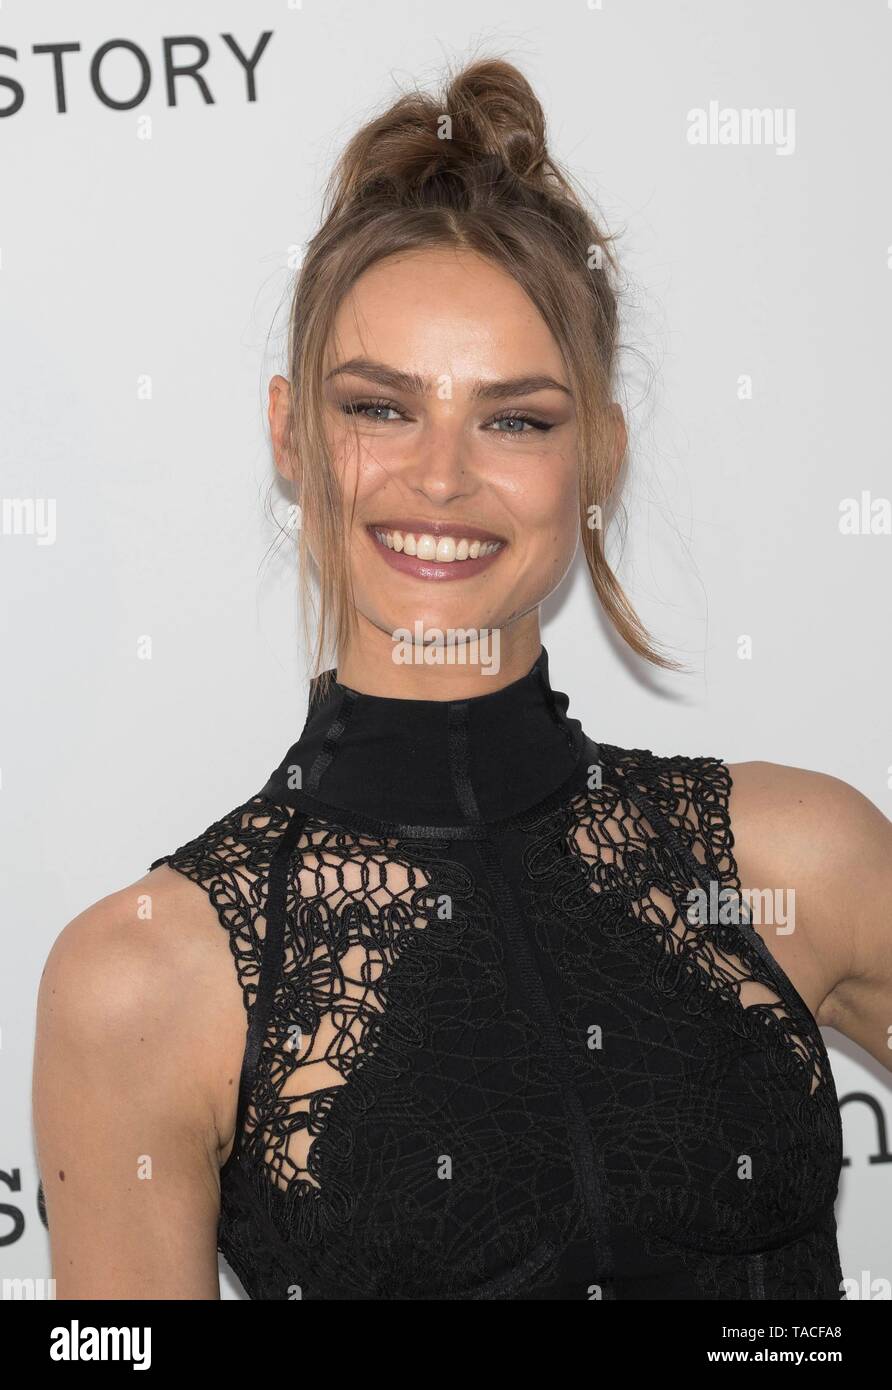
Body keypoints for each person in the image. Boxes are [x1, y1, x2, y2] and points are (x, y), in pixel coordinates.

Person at [32, 56, 891, 1301]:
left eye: (514, 418)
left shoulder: (800, 858)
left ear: (598, 455)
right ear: (289, 433)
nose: (438, 478)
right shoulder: (143, 979)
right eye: (380, 408)